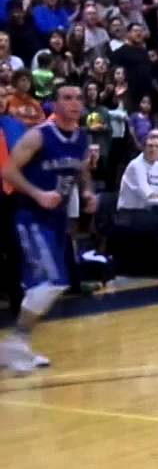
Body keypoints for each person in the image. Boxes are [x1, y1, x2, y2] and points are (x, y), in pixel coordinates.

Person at [0, 83, 95, 373]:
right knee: (53, 281)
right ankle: (16, 342)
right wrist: (37, 194)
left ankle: (17, 345)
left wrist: (88, 192)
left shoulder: (81, 138)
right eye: (67, 98)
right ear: (55, 104)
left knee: (47, 286)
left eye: (78, 98)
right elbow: (8, 171)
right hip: (30, 216)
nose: (74, 103)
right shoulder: (38, 135)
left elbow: (82, 170)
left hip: (56, 219)